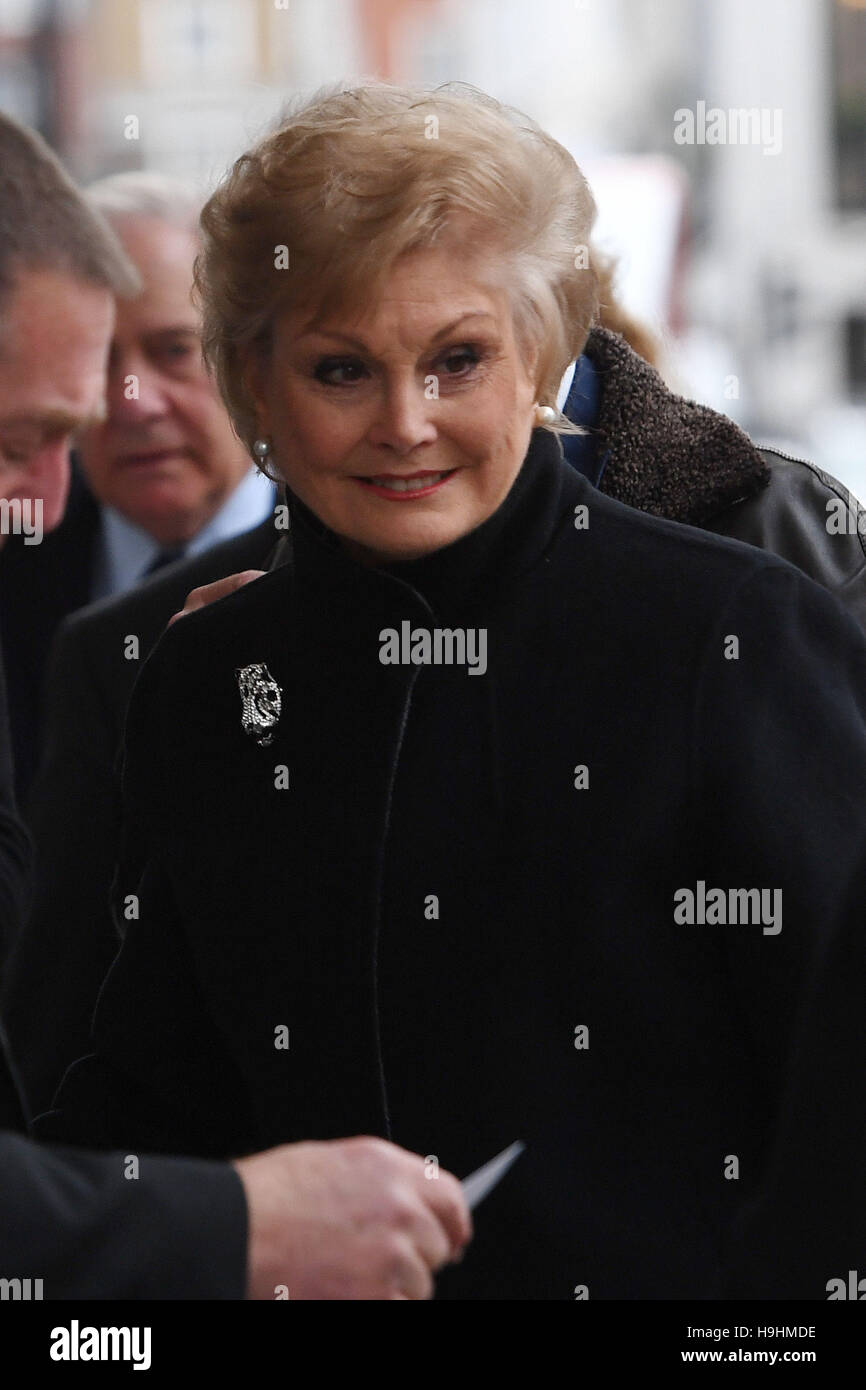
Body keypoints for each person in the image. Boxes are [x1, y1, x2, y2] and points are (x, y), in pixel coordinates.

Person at [39, 82, 866, 1300]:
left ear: (540, 350)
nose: (404, 424)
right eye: (339, 369)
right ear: (254, 385)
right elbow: (152, 1098)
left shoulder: (733, 636)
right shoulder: (205, 678)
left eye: (456, 358)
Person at [0, 107, 470, 1301]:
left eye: (454, 361)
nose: (47, 502)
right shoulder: (97, 644)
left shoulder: (729, 612)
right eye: (18, 438)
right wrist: (235, 1225)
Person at [0, 173, 276, 801]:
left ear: (247, 362)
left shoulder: (342, 551)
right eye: (98, 362)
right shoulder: (15, 562)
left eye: (174, 350)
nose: (134, 403)